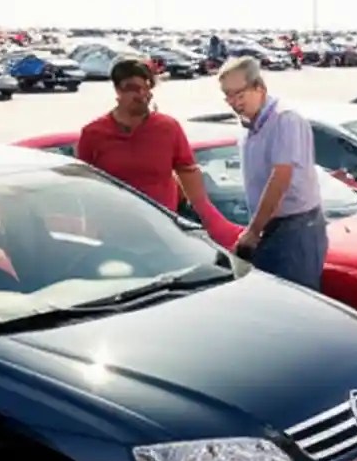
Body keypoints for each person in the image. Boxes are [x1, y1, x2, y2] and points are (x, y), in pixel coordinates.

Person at [219, 56, 327, 290]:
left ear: (260, 88)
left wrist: (253, 231)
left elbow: (281, 178)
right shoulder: (250, 127)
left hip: (296, 229)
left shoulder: (284, 120)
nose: (233, 102)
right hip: (270, 228)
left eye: (239, 94)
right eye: (227, 95)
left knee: (298, 306)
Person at [76, 58, 211, 213]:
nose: (142, 95)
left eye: (147, 88)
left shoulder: (168, 127)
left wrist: (204, 212)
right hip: (113, 222)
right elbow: (85, 183)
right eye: (133, 88)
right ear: (118, 90)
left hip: (163, 224)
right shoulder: (93, 133)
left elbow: (188, 171)